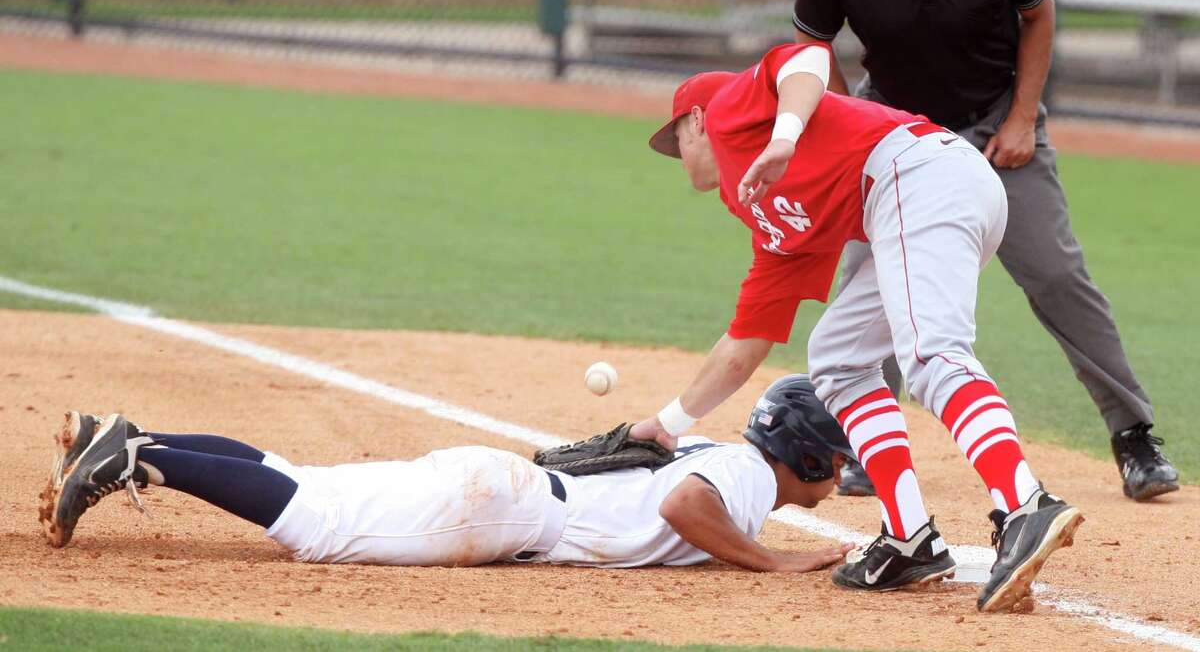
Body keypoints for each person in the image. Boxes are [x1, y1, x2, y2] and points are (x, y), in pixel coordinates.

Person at [789, 0, 1179, 503]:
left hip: (996, 127)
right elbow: (810, 47)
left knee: (1057, 274)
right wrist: (851, 129)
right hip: (897, 136)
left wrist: (1025, 115)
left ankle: (1133, 434)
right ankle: (865, 441)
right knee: (870, 286)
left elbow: (1039, 15)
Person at [629, 42, 1084, 612]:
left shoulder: (730, 114)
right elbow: (746, 342)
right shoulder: (768, 212)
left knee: (931, 350)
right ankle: (909, 537)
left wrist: (783, 136)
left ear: (697, 119)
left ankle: (1025, 504)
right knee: (838, 358)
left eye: (676, 137)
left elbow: (809, 59)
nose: (678, 153)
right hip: (919, 195)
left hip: (920, 175)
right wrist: (668, 424)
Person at [39, 375, 855, 572]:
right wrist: (774, 561)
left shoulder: (730, 454)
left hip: (504, 491)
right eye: (838, 458)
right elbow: (684, 504)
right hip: (506, 511)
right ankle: (140, 457)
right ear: (811, 456)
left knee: (307, 482)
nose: (841, 473)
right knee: (320, 527)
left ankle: (132, 436)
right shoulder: (748, 476)